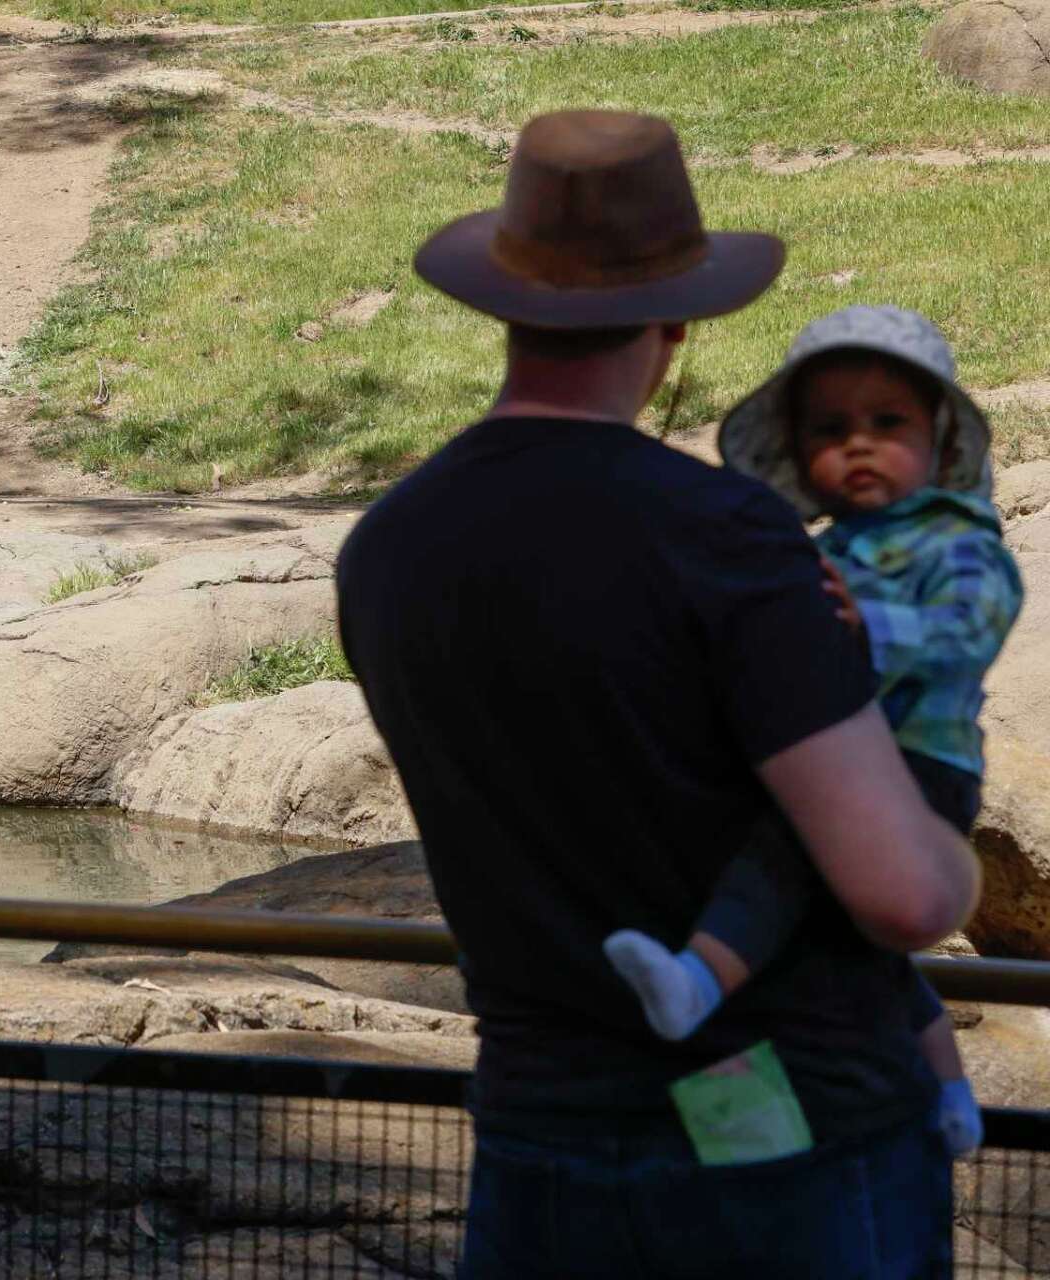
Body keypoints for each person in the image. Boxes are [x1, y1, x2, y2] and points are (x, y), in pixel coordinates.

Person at [335, 110, 980, 1278]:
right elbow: (900, 895)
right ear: (679, 320)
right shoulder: (727, 534)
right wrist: (954, 854)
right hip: (771, 1114)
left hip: (541, 1119)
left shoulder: (388, 547)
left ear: (504, 306)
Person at [604, 305, 1021, 1163]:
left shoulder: (955, 536)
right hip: (806, 1093)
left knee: (785, 859)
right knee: (848, 945)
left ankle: (698, 983)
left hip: (917, 767)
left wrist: (868, 626)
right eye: (831, 429)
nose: (859, 444)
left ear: (941, 445)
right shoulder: (822, 548)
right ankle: (949, 1095)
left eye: (887, 423)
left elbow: (974, 619)